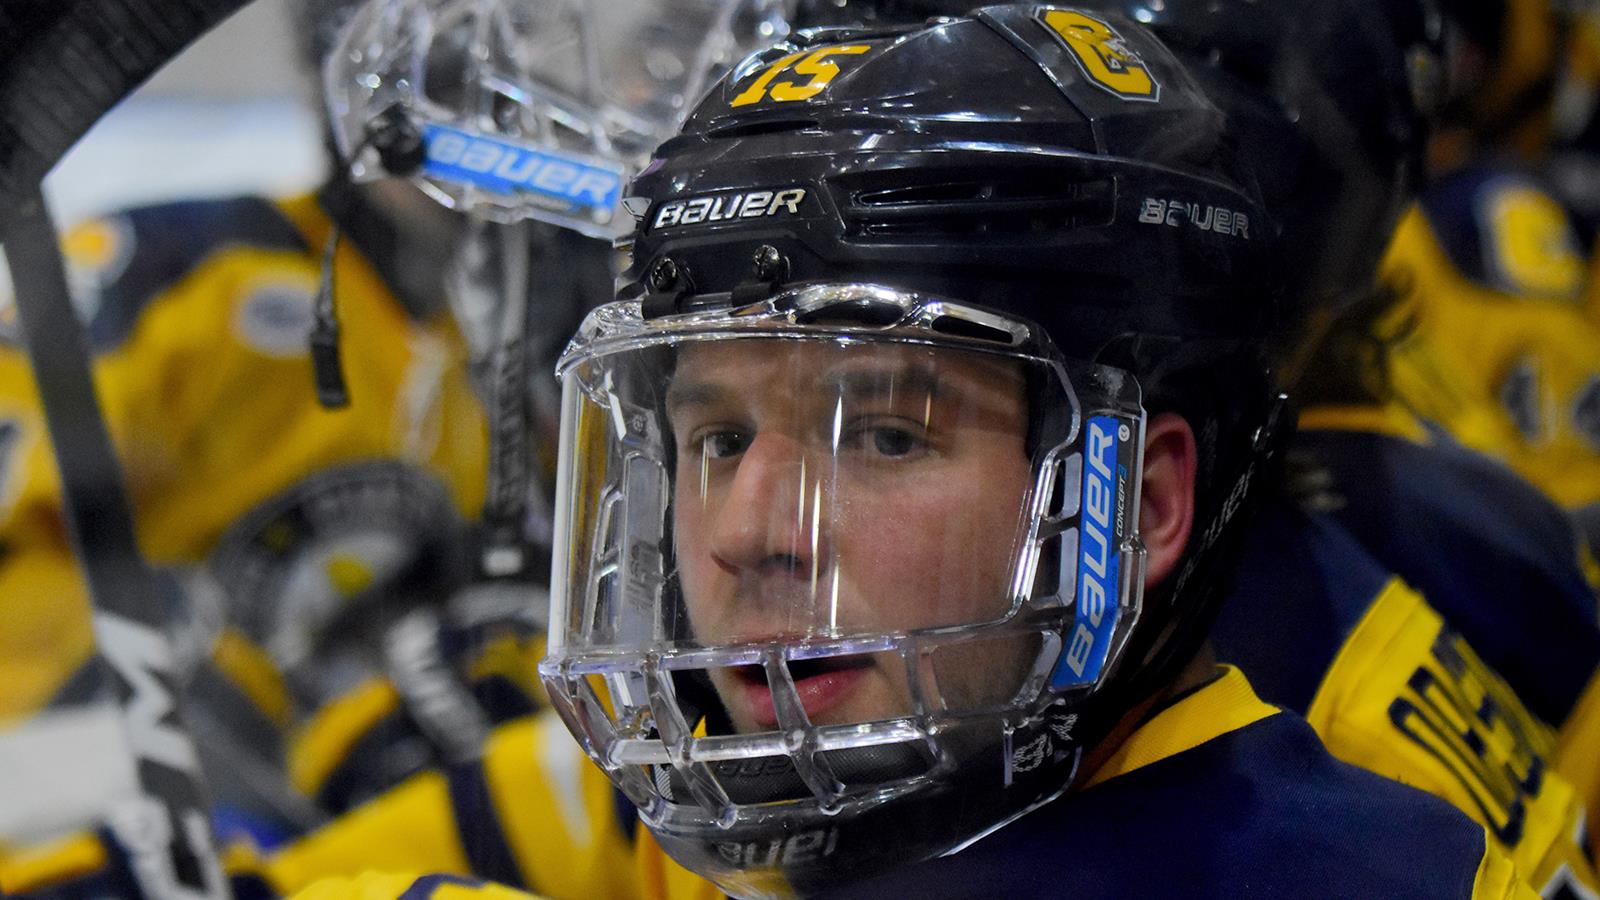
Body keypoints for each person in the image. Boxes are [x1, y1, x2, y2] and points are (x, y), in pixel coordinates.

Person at [531, 5, 1532, 896]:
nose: (745, 535)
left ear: (1137, 504)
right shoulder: (846, 768)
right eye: (719, 439)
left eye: (882, 437)